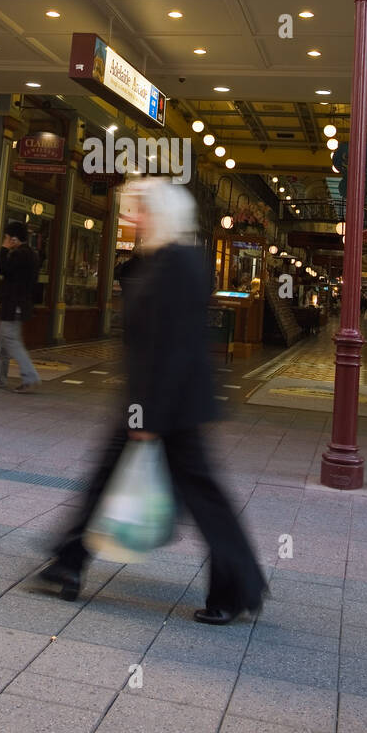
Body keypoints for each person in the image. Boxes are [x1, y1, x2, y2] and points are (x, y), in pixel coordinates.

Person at [38, 178, 267, 625]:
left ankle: (238, 587)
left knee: (202, 496)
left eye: (139, 208)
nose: (132, 217)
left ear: (160, 212)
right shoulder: (161, 260)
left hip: (167, 404)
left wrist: (149, 413)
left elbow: (175, 346)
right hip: (153, 399)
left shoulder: (177, 263)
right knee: (110, 479)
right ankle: (67, 562)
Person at [0, 220, 41, 393]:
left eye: (7, 238)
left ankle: (30, 377)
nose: (5, 240)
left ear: (14, 239)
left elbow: (1, 269)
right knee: (4, 342)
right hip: (18, 304)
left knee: (11, 341)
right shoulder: (30, 254)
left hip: (13, 304)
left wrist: (4, 249)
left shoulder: (19, 254)